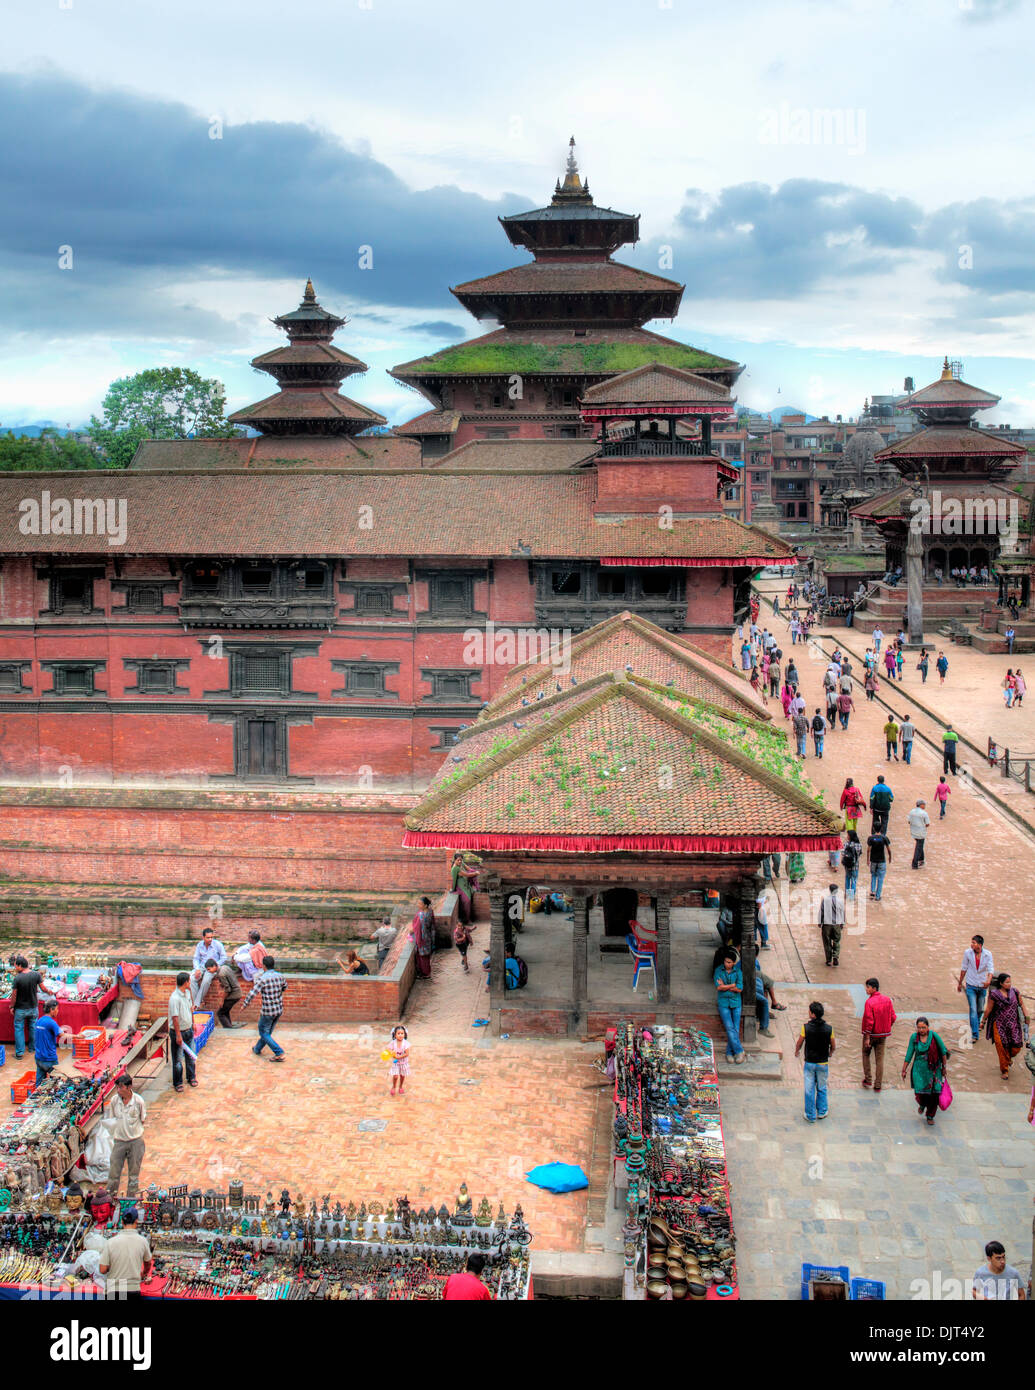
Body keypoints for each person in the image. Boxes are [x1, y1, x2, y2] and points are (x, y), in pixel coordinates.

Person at [98, 1206, 153, 1301]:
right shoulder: (143, 1241)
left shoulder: (110, 1242)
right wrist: (143, 1274)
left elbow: (102, 1269)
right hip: (133, 1289)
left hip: (114, 1289)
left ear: (122, 1222)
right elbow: (148, 1263)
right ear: (136, 1221)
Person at [902, 1016, 949, 1125]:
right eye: (919, 1028)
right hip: (919, 1070)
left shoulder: (934, 1036)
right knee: (921, 1092)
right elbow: (909, 1054)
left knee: (934, 1094)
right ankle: (922, 1104)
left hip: (934, 1070)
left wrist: (944, 1068)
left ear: (928, 1027)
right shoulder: (914, 1038)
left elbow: (943, 1051)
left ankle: (930, 1115)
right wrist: (904, 1069)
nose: (921, 1030)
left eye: (923, 1027)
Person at [107, 1073, 147, 1199]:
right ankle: (110, 1199)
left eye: (121, 1087)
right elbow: (112, 1119)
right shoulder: (114, 1101)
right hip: (119, 1141)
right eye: (117, 1088)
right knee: (113, 1173)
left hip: (136, 1141)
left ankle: (131, 1200)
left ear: (129, 1087)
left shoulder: (138, 1101)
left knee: (134, 1175)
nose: (119, 1090)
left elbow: (143, 1119)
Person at [981, 973, 1029, 1078]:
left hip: (1014, 1024)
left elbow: (1022, 1004)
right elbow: (989, 1009)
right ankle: (1004, 1071)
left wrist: (1027, 1017)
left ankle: (1008, 1058)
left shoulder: (1015, 992)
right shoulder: (994, 994)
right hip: (999, 1025)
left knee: (1016, 1047)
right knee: (1001, 1046)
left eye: (1010, 982)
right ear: (1001, 983)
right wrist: (983, 1021)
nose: (1009, 984)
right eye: (1007, 982)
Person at [8, 956, 56, 1060]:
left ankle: (20, 1053)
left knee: (19, 1029)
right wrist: (49, 991)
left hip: (20, 1009)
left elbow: (14, 995)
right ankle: (32, 1048)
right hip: (33, 1007)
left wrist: (12, 1006)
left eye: (16, 965)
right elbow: (43, 988)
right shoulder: (36, 974)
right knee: (33, 1027)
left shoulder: (17, 978)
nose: (15, 967)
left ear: (20, 966)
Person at [241, 954, 287, 1060]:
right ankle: (257, 1049)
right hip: (278, 1009)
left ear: (264, 966)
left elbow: (252, 993)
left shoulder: (262, 979)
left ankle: (279, 1052)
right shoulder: (280, 976)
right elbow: (285, 987)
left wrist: (244, 1005)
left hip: (268, 1011)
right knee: (267, 1032)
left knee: (264, 1032)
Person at [794, 1001, 834, 1123]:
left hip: (810, 1063)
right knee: (822, 1087)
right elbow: (833, 1045)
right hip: (823, 1063)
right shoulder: (829, 1029)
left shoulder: (805, 1027)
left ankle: (810, 1114)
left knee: (809, 1089)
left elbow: (799, 1042)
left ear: (812, 1014)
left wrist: (797, 1051)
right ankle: (822, 1111)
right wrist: (830, 1053)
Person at [957, 934, 995, 1044]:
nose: (971, 944)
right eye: (971, 942)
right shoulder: (967, 953)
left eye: (973, 942)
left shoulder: (988, 954)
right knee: (973, 1009)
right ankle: (974, 1034)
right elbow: (964, 968)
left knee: (980, 1010)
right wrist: (960, 983)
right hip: (971, 985)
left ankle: (976, 1024)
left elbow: (990, 969)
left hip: (982, 985)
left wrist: (988, 981)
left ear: (979, 944)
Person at [861, 978, 897, 1092]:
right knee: (880, 1059)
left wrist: (867, 1037)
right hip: (883, 1035)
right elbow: (893, 1017)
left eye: (868, 987)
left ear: (874, 988)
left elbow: (869, 1021)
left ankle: (868, 1079)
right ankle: (878, 1084)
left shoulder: (869, 1002)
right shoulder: (887, 1000)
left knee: (866, 1054)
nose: (866, 989)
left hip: (871, 1035)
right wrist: (886, 1026)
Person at [713, 950, 745, 1064]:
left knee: (735, 1028)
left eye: (729, 962)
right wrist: (732, 985)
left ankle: (729, 1052)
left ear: (733, 963)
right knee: (729, 1027)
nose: (727, 964)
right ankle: (739, 1051)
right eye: (726, 961)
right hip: (724, 1002)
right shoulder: (718, 970)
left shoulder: (738, 972)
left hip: (736, 1002)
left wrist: (725, 986)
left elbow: (740, 988)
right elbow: (718, 987)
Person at [168, 971, 197, 1093]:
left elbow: (191, 1009)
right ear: (185, 982)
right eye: (189, 981)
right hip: (178, 1032)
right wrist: (178, 1035)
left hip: (188, 1030)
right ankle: (178, 1082)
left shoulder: (187, 994)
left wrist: (193, 1022)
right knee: (178, 1060)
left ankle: (191, 1077)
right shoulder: (174, 998)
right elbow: (175, 1017)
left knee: (190, 1056)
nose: (190, 983)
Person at [191, 926, 227, 1007]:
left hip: (212, 968)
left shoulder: (218, 945)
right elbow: (196, 958)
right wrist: (197, 969)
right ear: (203, 937)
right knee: (192, 979)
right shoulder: (200, 945)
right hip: (202, 966)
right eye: (208, 937)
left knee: (206, 981)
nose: (210, 939)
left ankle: (196, 1004)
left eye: (211, 937)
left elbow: (224, 957)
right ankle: (200, 1002)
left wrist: (215, 966)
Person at [33, 997, 65, 1088]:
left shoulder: (39, 1021)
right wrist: (78, 1036)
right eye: (57, 1009)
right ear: (52, 1009)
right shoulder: (51, 1023)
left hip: (39, 1058)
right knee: (56, 1083)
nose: (58, 1011)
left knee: (39, 1085)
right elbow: (63, 1035)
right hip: (50, 1060)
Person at [818, 883, 844, 967]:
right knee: (836, 941)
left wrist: (819, 922)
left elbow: (821, 912)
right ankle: (835, 956)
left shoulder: (825, 900)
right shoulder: (840, 901)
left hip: (826, 924)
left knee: (827, 942)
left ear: (830, 890)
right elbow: (842, 913)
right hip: (837, 924)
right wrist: (842, 923)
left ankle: (828, 960)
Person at [211, 959, 243, 1027]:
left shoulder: (221, 974)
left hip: (234, 994)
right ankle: (229, 1025)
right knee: (225, 1011)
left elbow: (228, 989)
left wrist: (222, 1001)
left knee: (220, 1013)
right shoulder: (225, 967)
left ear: (214, 966)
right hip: (237, 991)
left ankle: (228, 1028)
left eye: (209, 969)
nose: (209, 971)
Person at [411, 896, 436, 978]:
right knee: (425, 956)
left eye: (420, 904)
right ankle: (425, 972)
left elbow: (417, 927)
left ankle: (425, 973)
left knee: (422, 957)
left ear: (425, 905)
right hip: (428, 937)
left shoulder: (422, 915)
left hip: (422, 938)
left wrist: (412, 930)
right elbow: (432, 926)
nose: (418, 905)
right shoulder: (430, 911)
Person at [866, 827, 891, 901]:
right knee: (880, 878)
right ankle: (878, 896)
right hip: (881, 860)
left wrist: (868, 860)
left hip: (873, 860)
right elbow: (888, 849)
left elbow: (868, 850)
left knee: (873, 875)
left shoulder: (871, 838)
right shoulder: (884, 838)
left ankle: (872, 891)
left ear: (874, 828)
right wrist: (890, 857)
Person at [907, 798, 930, 869]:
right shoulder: (924, 813)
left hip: (913, 832)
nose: (925, 806)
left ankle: (921, 859)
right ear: (921, 805)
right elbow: (927, 824)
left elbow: (909, 821)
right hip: (921, 832)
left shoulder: (911, 811)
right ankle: (914, 864)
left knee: (919, 845)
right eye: (924, 804)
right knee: (918, 847)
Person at [388, 1024, 410, 1096]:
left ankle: (400, 1086)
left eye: (402, 1033)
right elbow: (389, 1049)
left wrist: (399, 1057)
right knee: (395, 1076)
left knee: (402, 1075)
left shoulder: (406, 1043)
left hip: (403, 1062)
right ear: (395, 1035)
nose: (400, 1035)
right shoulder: (393, 1042)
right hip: (396, 1062)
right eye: (398, 1033)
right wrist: (392, 1053)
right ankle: (394, 1087)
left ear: (404, 1034)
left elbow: (407, 1053)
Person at [841, 836, 861, 901]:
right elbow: (859, 854)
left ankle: (847, 895)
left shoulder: (846, 844)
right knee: (854, 881)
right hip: (855, 866)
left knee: (847, 879)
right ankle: (851, 896)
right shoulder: (858, 845)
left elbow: (842, 853)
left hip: (847, 866)